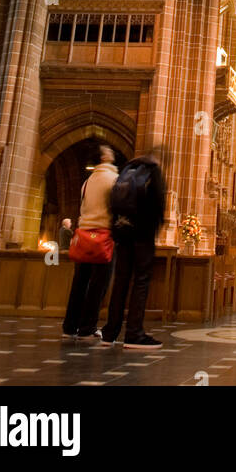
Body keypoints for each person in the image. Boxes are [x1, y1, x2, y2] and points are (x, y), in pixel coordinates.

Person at [101, 145, 167, 350]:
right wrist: (155, 227)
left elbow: (111, 202)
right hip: (142, 236)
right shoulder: (153, 171)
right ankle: (134, 333)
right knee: (141, 281)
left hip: (123, 233)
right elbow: (158, 205)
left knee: (120, 280)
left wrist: (118, 228)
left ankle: (110, 332)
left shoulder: (126, 169)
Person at [61, 145, 118, 341]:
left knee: (79, 282)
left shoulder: (87, 181)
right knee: (98, 284)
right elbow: (116, 207)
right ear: (103, 157)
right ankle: (87, 327)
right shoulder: (112, 179)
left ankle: (70, 325)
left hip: (84, 236)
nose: (111, 152)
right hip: (102, 236)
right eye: (107, 151)